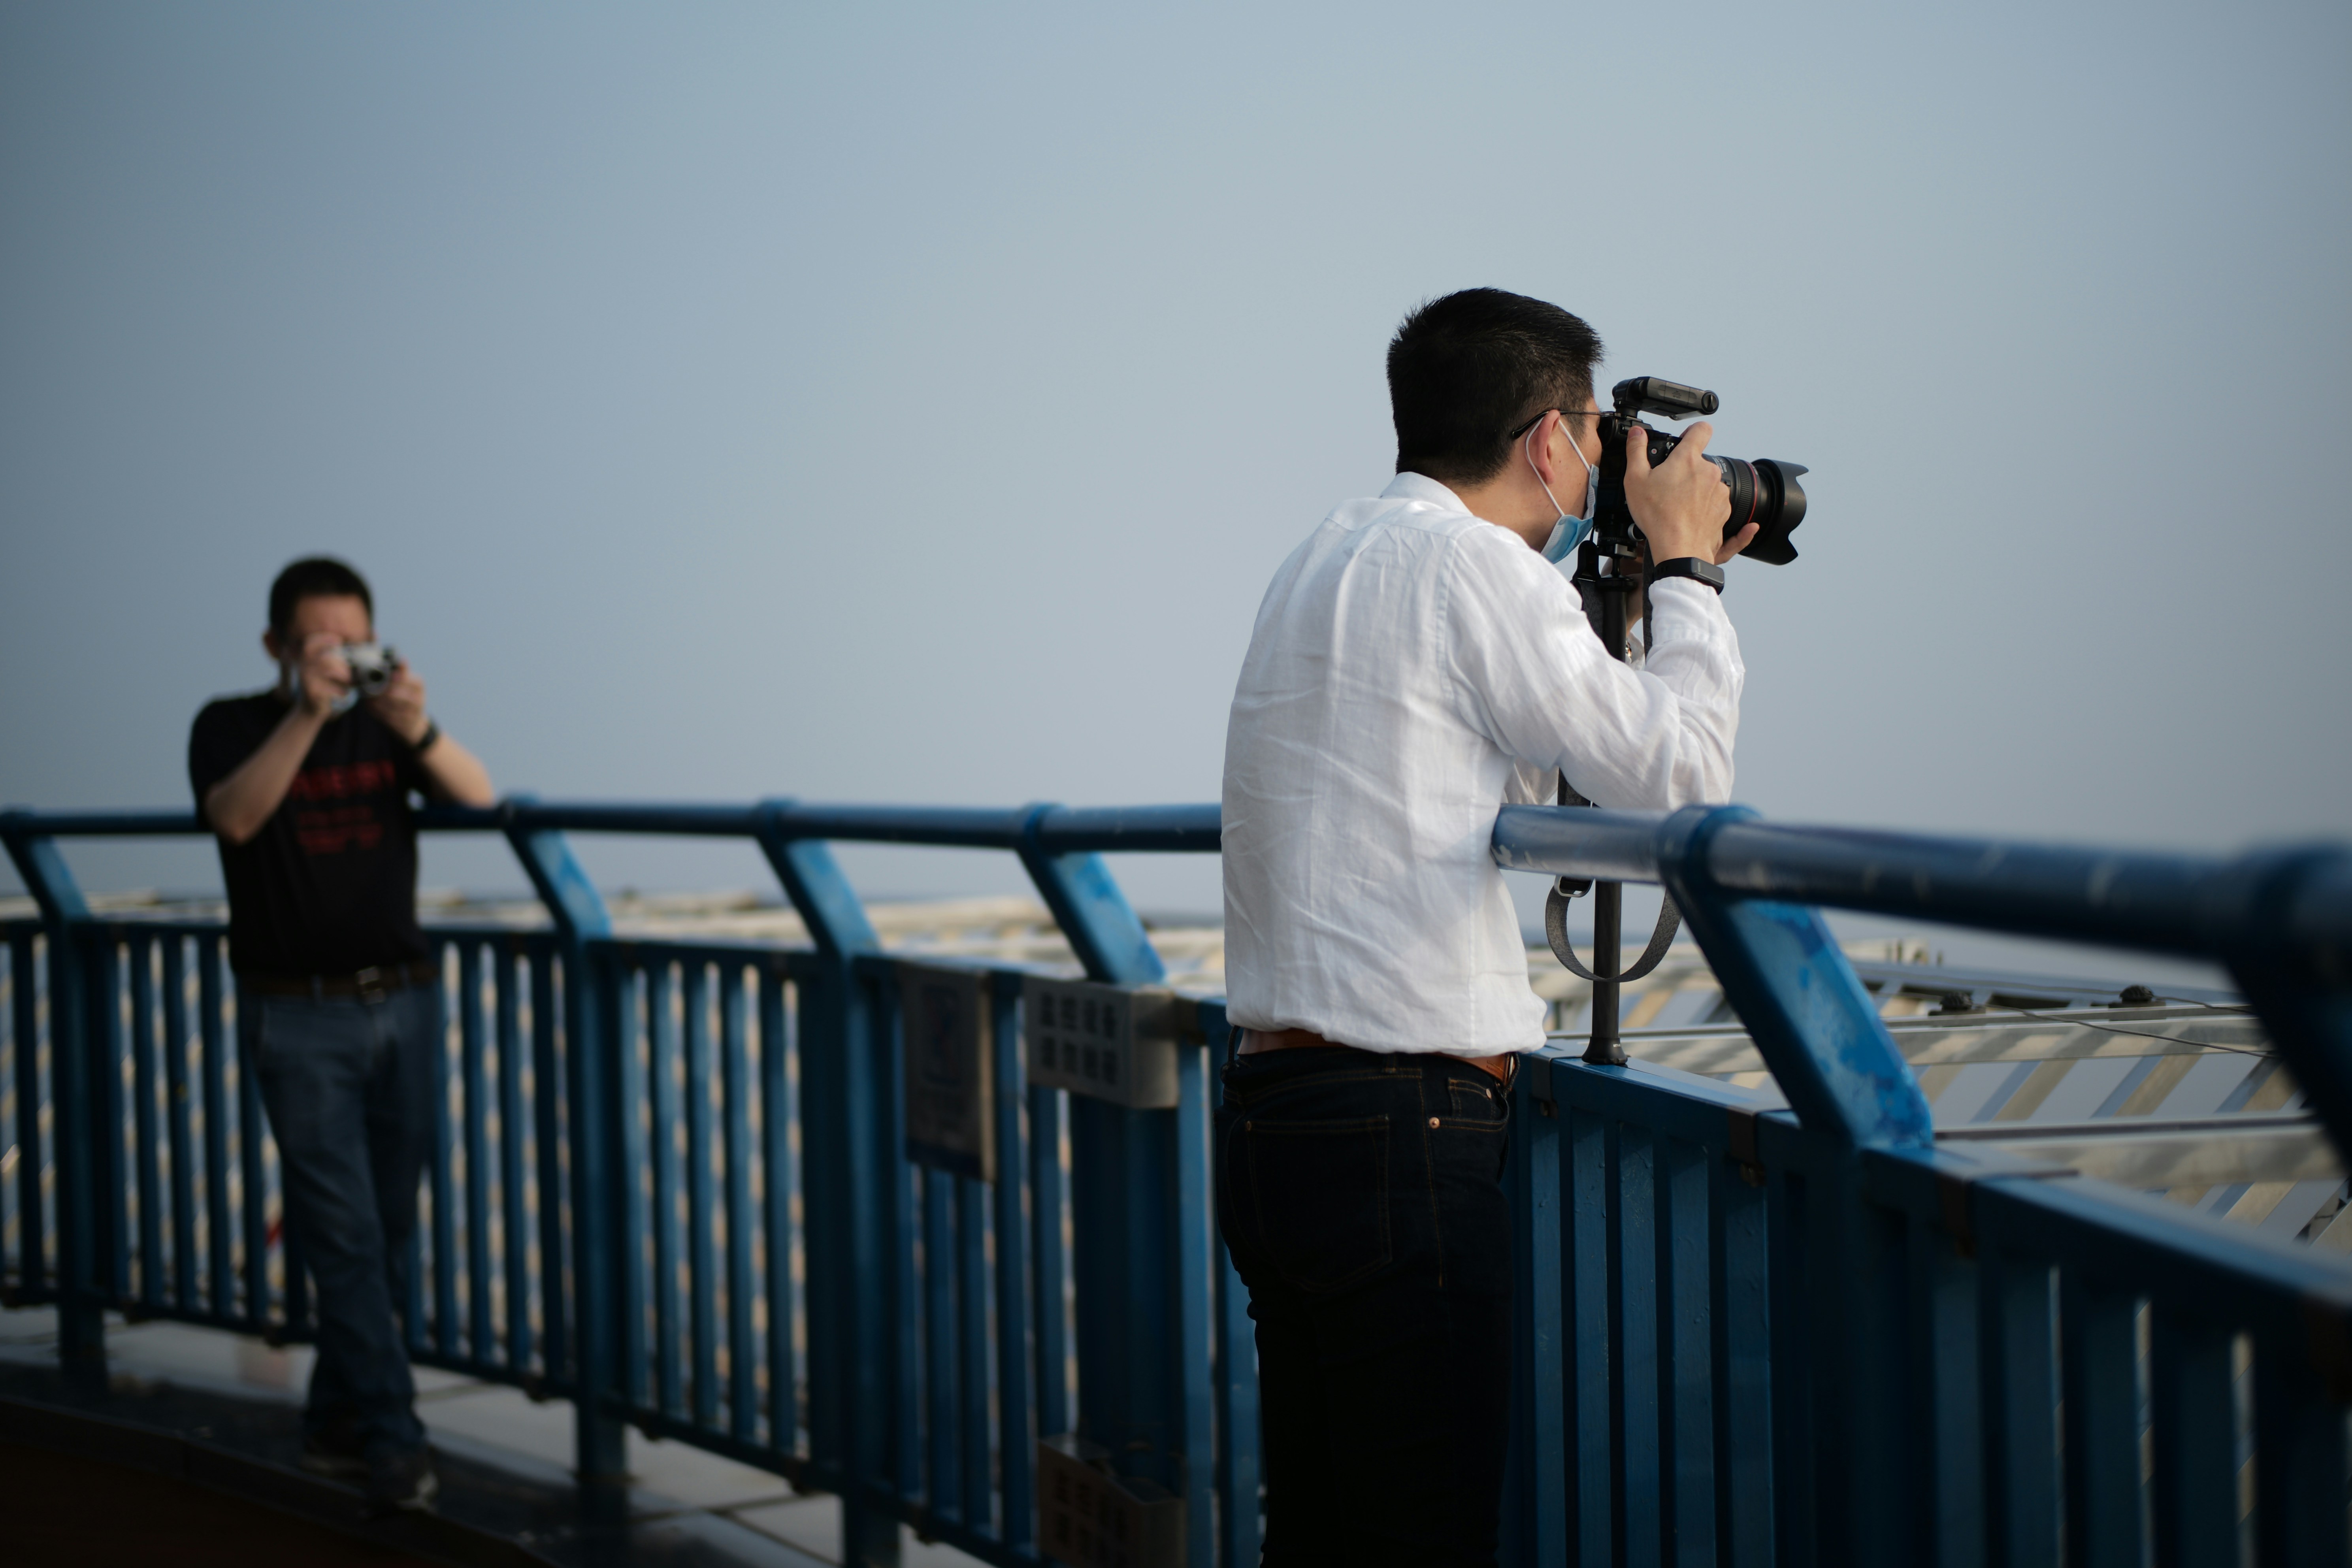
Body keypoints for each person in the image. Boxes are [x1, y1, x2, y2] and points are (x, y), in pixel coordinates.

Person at [1215, 288, 1753, 1566]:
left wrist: (1591, 590)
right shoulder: (1474, 568)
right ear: (1546, 441)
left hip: (1274, 1114)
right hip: (1404, 1123)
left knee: (1323, 1531)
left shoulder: (1323, 554)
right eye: (1591, 431)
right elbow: (1677, 778)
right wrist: (1685, 571)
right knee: (1421, 1536)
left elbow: (1504, 764)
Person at [188, 556, 494, 1511]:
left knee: (387, 1230)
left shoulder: (386, 724)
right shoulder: (231, 724)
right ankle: (397, 1441)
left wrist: (420, 726)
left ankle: (333, 1423)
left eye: (353, 642)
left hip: (404, 999)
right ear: (276, 646)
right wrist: (309, 713)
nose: (339, 660)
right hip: (298, 1012)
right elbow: (236, 819)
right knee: (347, 1235)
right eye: (321, 642)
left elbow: (479, 800)